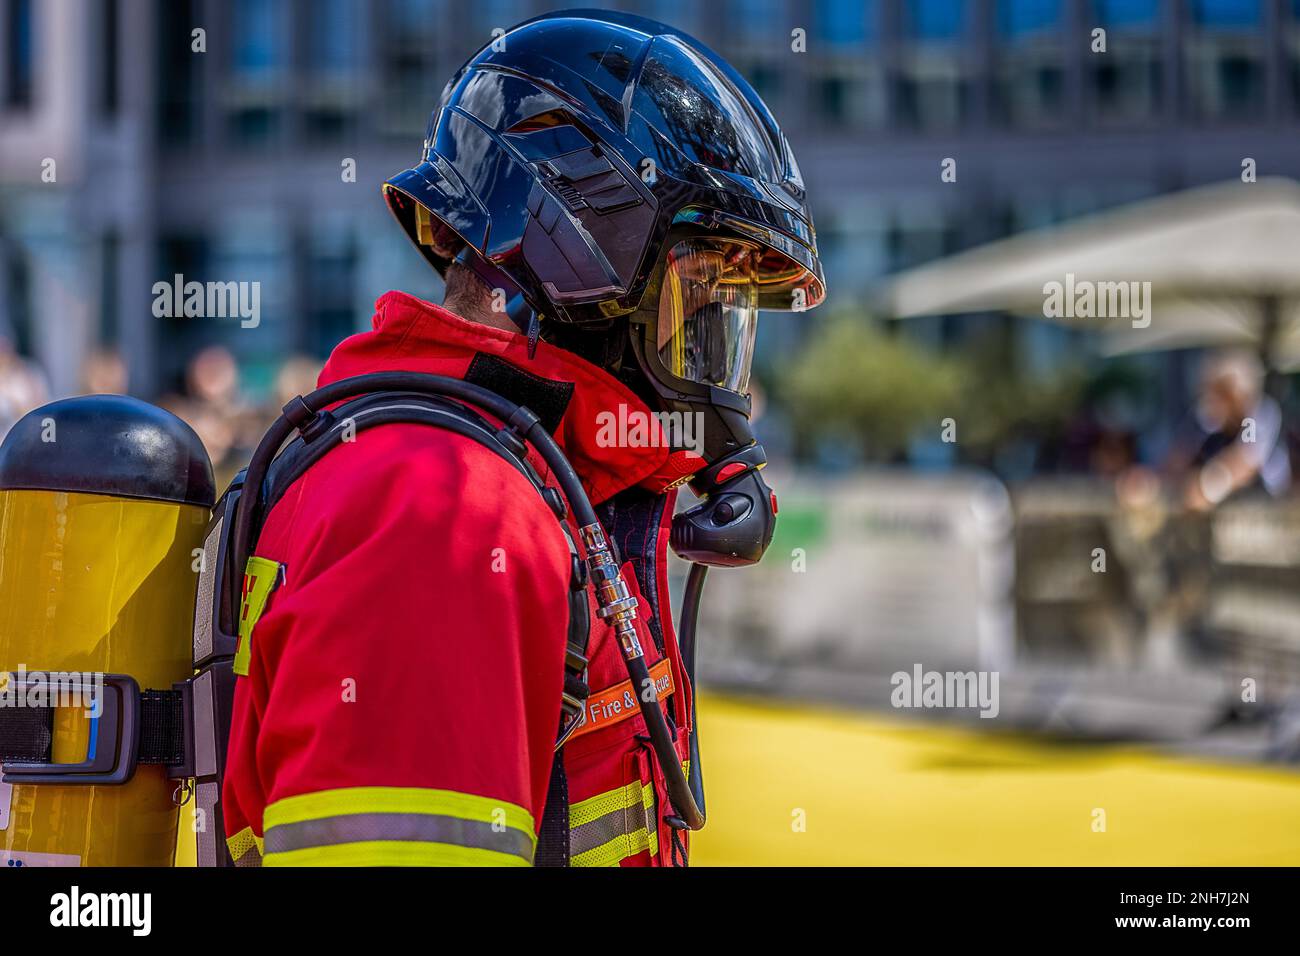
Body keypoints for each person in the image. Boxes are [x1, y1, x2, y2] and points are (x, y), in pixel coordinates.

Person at [220, 10, 825, 867]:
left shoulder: (513, 485)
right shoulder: (442, 512)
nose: (714, 362)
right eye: (699, 298)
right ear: (578, 257)